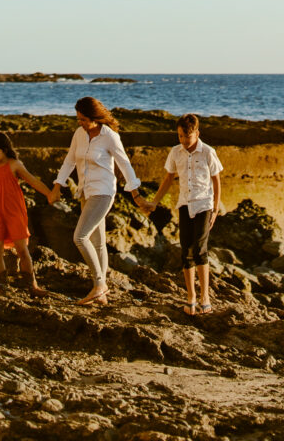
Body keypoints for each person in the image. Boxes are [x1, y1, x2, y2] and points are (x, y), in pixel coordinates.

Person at [55, 96, 145, 306]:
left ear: (95, 117)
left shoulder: (110, 137)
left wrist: (135, 192)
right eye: (78, 119)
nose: (82, 123)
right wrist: (58, 184)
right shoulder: (79, 134)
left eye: (85, 119)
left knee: (80, 237)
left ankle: (99, 284)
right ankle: (102, 295)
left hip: (104, 192)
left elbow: (125, 164)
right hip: (85, 191)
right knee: (98, 243)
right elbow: (70, 160)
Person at [145, 112, 223, 314]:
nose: (183, 140)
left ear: (197, 133)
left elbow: (216, 181)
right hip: (184, 205)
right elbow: (168, 178)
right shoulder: (175, 152)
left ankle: (205, 296)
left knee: (200, 249)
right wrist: (154, 201)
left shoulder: (208, 152)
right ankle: (191, 297)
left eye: (187, 137)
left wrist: (215, 209)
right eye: (180, 136)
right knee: (186, 251)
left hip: (204, 205)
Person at [0, 131, 53, 291]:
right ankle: (1, 285)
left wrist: (49, 193)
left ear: (5, 150)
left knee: (22, 249)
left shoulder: (14, 164)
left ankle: (32, 285)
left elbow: (32, 181)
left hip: (14, 212)